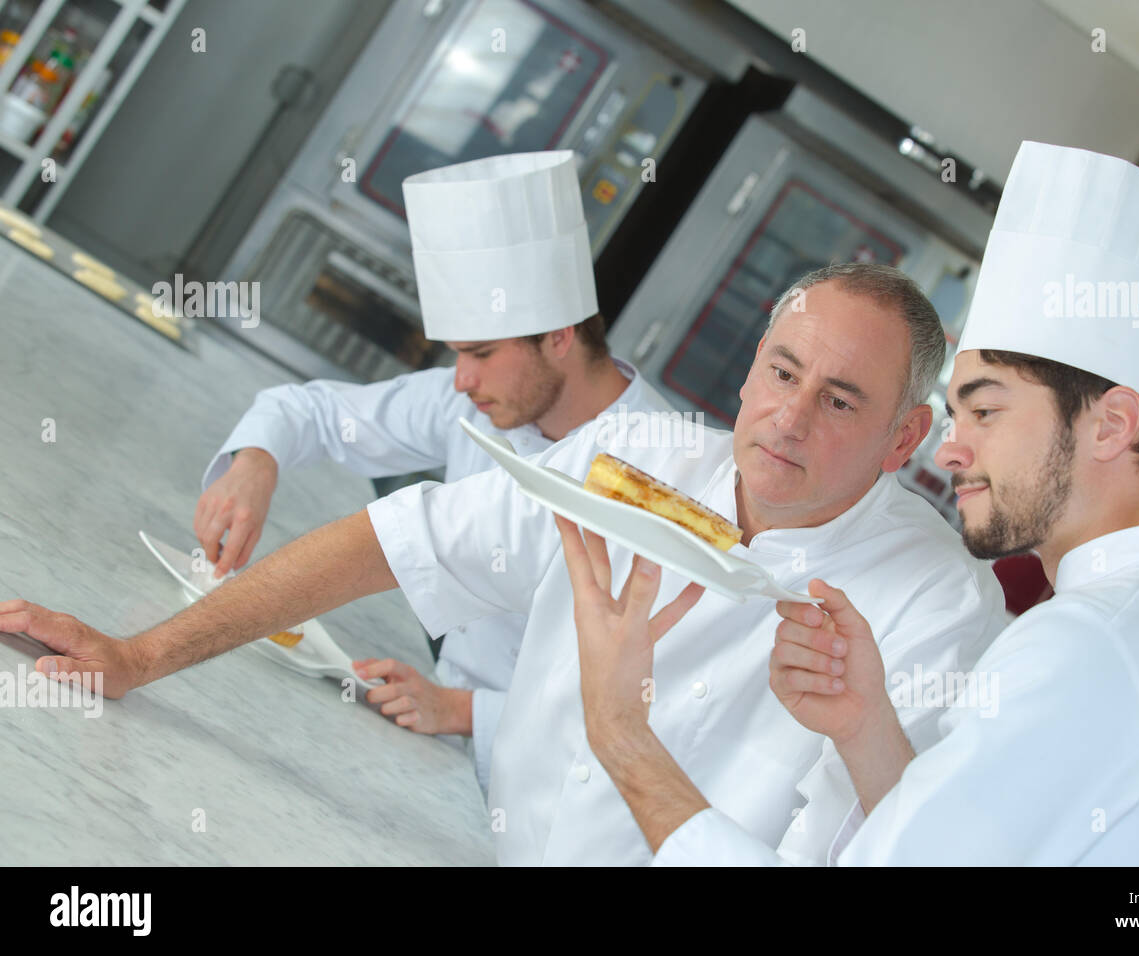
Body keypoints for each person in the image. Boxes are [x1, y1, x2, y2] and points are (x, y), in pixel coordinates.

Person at [4, 261, 1007, 865]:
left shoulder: (934, 598)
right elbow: (393, 543)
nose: (788, 417)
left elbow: (910, 840)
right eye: (783, 372)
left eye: (839, 400)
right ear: (750, 368)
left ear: (902, 435)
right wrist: (137, 656)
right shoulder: (647, 463)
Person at [557, 140, 1139, 865]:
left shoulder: (1087, 643)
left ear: (1112, 425)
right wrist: (869, 728)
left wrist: (620, 730)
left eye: (987, 411)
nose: (949, 450)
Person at [197, 150, 675, 793]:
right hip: (438, 755)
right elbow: (310, 410)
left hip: (561, 792)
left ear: (559, 335)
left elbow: (662, 695)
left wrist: (464, 711)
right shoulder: (479, 400)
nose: (462, 380)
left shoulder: (664, 472)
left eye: (480, 354)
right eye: (456, 355)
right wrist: (255, 463)